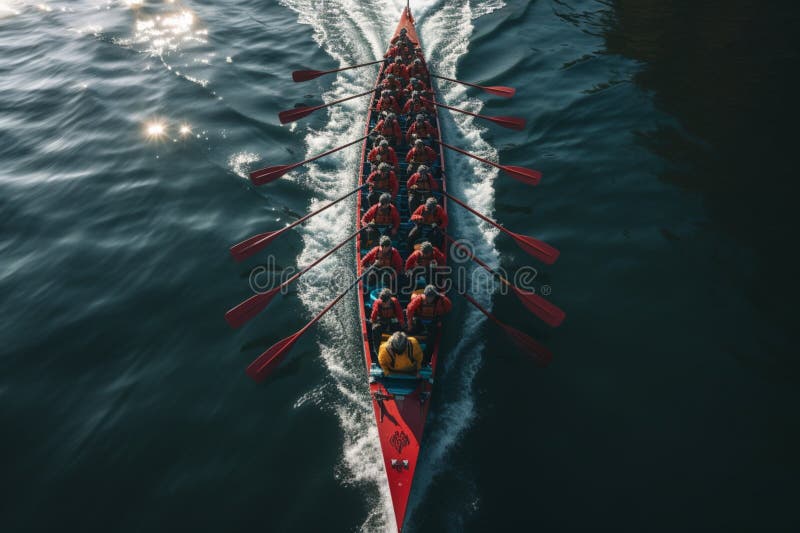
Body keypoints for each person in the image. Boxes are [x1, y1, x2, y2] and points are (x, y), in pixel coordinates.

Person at [405, 285, 452, 359]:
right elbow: (409, 310)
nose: (429, 298)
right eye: (428, 296)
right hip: (420, 320)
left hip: (433, 321)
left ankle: (426, 357)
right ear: (425, 295)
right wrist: (410, 324)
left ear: (435, 295)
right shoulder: (419, 299)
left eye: (431, 296)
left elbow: (448, 308)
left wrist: (441, 320)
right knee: (410, 331)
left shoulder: (442, 300)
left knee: (431, 340)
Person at [369, 288, 405, 353]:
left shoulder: (394, 302)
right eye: (383, 301)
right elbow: (374, 316)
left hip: (393, 320)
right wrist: (373, 322)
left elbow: (400, 314)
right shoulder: (377, 303)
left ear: (390, 298)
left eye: (386, 301)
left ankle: (398, 347)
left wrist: (402, 324)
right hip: (382, 321)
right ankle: (377, 350)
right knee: (375, 329)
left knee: (400, 329)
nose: (385, 303)